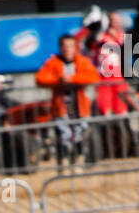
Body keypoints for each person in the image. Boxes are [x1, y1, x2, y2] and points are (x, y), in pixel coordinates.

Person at [36, 34, 100, 166]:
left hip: (79, 105)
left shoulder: (81, 61)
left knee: (79, 134)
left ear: (75, 47)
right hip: (62, 105)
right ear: (60, 47)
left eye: (71, 46)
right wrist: (58, 80)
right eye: (65, 46)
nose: (68, 49)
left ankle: (79, 162)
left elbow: (93, 76)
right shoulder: (53, 62)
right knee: (64, 135)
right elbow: (40, 78)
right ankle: (64, 163)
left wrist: (73, 79)